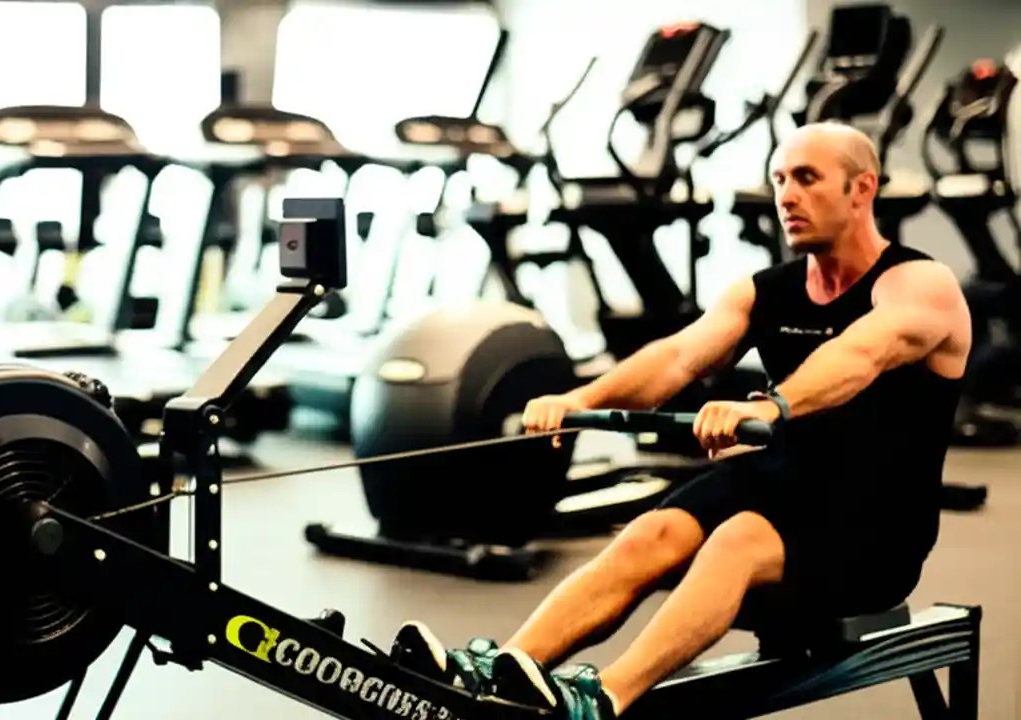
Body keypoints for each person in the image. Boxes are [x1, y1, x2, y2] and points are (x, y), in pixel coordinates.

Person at [386, 121, 972, 719]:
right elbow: (679, 357)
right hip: (787, 486)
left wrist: (771, 405)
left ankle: (607, 697)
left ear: (862, 188)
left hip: (873, 527)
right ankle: (501, 673)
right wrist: (580, 400)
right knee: (650, 533)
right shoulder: (765, 290)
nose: (786, 195)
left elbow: (859, 354)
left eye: (806, 178)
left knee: (737, 538)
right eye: (778, 180)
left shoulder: (920, 286)